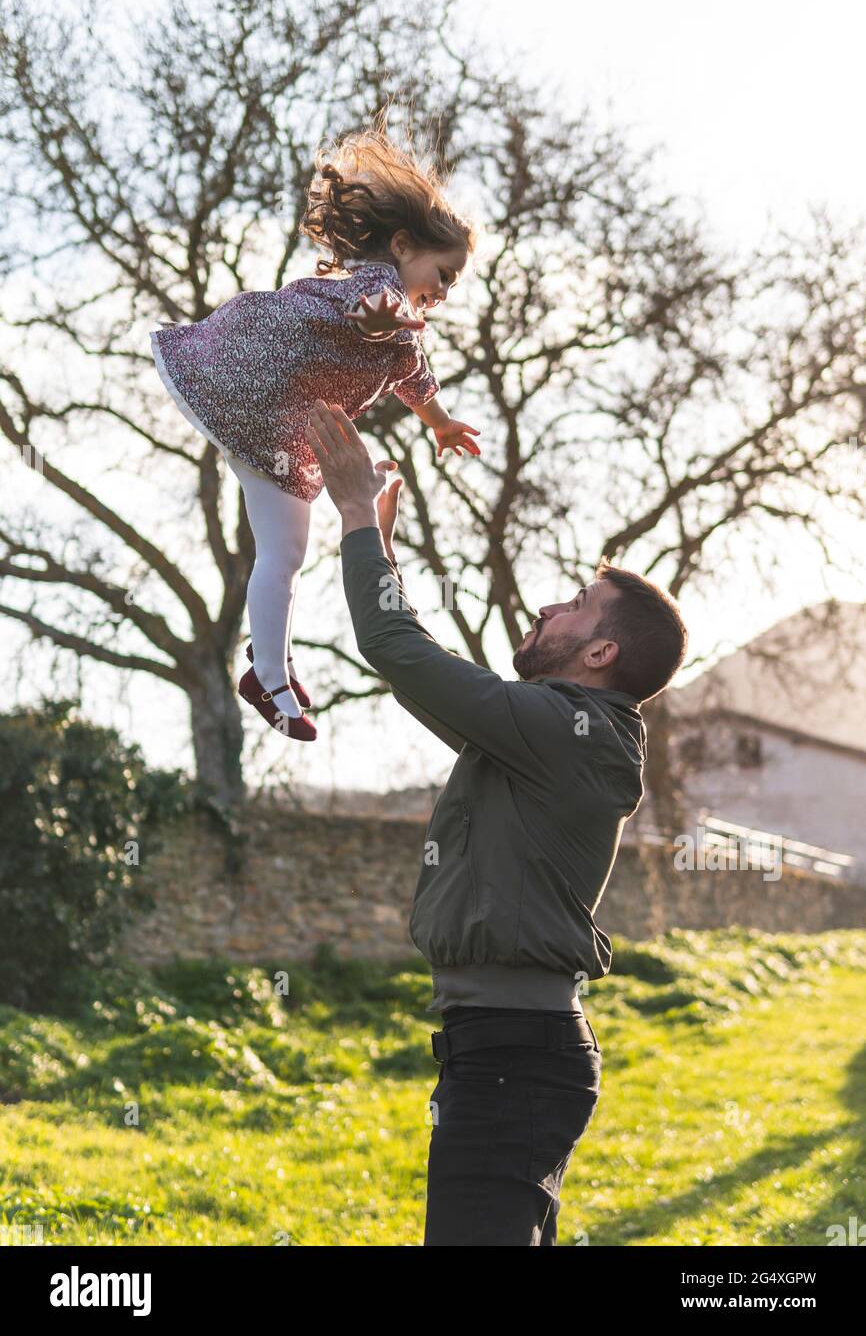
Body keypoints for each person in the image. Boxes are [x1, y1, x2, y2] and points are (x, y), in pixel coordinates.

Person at [304, 399, 689, 1248]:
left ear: (601, 653)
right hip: (503, 1049)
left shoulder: (568, 733)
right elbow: (419, 666)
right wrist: (383, 548)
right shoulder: (551, 731)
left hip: (517, 1056)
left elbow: (401, 654)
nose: (549, 607)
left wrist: (359, 519)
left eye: (577, 604)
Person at [149, 129, 480, 740]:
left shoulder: (406, 330)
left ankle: (271, 668)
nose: (444, 291)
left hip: (266, 423)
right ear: (404, 245)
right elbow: (366, 312)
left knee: (285, 555)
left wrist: (441, 424)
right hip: (253, 387)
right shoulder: (378, 286)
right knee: (285, 553)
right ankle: (269, 673)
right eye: (445, 273)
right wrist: (381, 318)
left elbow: (416, 380)